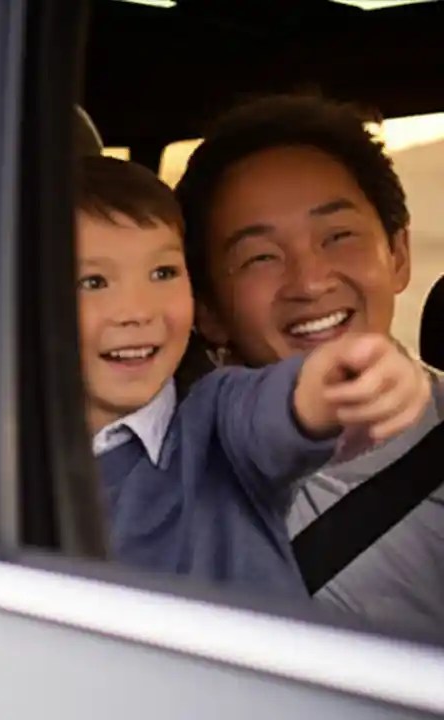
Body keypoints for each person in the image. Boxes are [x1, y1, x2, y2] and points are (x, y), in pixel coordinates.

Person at [77, 156, 431, 598]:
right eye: (92, 282)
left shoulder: (211, 422)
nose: (138, 311)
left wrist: (326, 387)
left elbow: (270, 410)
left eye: (163, 273)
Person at [175, 94, 444, 631]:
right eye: (259, 257)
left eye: (338, 236)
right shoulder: (182, 473)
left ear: (398, 255)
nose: (310, 281)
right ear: (207, 311)